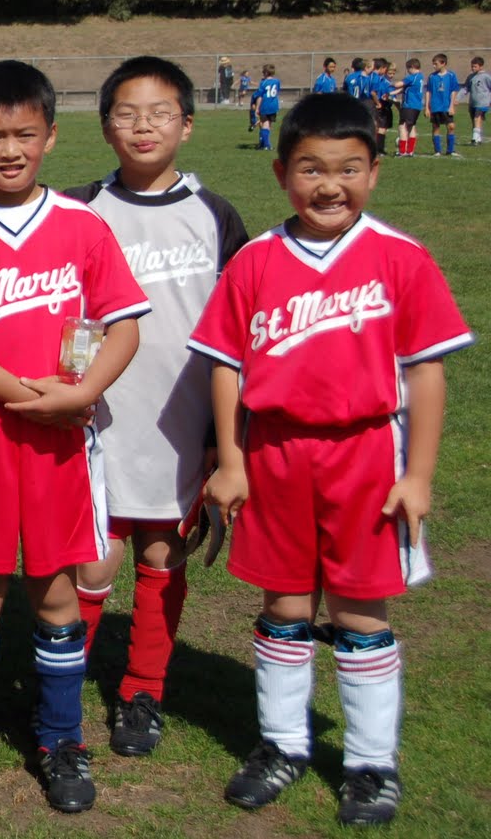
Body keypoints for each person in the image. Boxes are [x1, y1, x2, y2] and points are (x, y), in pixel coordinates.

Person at [188, 93, 473, 826]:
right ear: (283, 172)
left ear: (375, 172)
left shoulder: (400, 258)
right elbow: (226, 364)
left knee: (359, 610)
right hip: (275, 451)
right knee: (283, 606)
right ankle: (283, 744)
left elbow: (425, 372)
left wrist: (418, 477)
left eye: (348, 168)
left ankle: (372, 762)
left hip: (366, 456)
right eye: (311, 168)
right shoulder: (255, 261)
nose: (329, 185)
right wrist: (231, 458)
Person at [0, 61, 149, 821]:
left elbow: (125, 325)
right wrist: (25, 395)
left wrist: (81, 393)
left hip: (61, 440)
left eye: (25, 135)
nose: (9, 149)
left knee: (56, 592)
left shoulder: (81, 226)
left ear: (49, 135)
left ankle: (59, 738)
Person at [63, 58, 248, 758]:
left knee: (163, 553)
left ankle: (144, 690)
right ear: (104, 123)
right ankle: (63, 677)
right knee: (94, 561)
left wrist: (224, 440)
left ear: (188, 126)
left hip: (183, 423)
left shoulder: (215, 216)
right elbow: (67, 314)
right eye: (127, 112)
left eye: (161, 112)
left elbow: (238, 338)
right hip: (102, 419)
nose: (143, 125)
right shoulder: (81, 210)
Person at [425, 52, 460, 157]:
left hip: (446, 106)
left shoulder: (451, 75)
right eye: (433, 64)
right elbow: (428, 92)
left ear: (443, 63)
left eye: (436, 64)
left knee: (451, 126)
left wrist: (452, 105)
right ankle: (437, 151)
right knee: (436, 127)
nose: (434, 66)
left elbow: (454, 90)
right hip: (435, 106)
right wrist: (427, 107)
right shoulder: (432, 76)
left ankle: (450, 150)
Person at [396, 57, 425, 157]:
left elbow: (398, 84)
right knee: (412, 126)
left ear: (412, 67)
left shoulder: (413, 77)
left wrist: (389, 86)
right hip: (416, 106)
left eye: (408, 69)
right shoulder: (421, 76)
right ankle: (410, 151)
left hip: (409, 105)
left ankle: (402, 151)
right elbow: (405, 88)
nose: (408, 71)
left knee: (402, 126)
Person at [368, 58, 396, 155]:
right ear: (383, 68)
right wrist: (378, 103)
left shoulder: (371, 76)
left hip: (373, 103)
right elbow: (375, 92)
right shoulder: (379, 78)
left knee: (378, 127)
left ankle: (378, 149)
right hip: (380, 104)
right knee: (381, 127)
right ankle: (379, 149)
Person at [252, 64, 281, 151]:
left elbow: (260, 96)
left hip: (265, 105)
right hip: (274, 105)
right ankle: (264, 143)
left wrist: (257, 108)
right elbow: (277, 92)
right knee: (269, 125)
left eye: (263, 72)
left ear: (266, 72)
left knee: (264, 124)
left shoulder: (263, 83)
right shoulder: (277, 81)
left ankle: (266, 145)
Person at [466, 55, 489, 146]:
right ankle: (478, 138)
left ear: (481, 66)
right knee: (475, 120)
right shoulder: (470, 77)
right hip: (473, 102)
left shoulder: (486, 77)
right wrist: (458, 98)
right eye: (472, 66)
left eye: (475, 66)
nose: (473, 68)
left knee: (477, 118)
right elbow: (466, 88)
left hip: (482, 102)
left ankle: (475, 139)